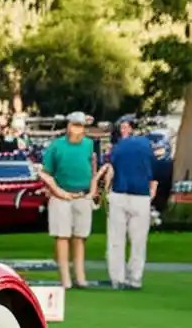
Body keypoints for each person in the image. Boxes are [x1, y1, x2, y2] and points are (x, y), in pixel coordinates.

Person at [38, 111, 97, 288]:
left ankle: (80, 275)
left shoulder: (89, 145)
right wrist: (57, 191)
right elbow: (45, 172)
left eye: (81, 126)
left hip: (82, 195)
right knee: (62, 236)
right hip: (61, 196)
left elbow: (93, 168)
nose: (78, 130)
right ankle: (65, 277)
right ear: (69, 126)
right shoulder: (57, 146)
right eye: (75, 125)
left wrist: (93, 191)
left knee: (80, 236)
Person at [104, 122, 157, 289]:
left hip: (120, 193)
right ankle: (135, 278)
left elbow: (111, 170)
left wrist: (106, 191)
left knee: (116, 239)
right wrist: (151, 193)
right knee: (138, 240)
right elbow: (153, 174)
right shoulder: (147, 147)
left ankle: (117, 278)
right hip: (141, 196)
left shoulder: (117, 148)